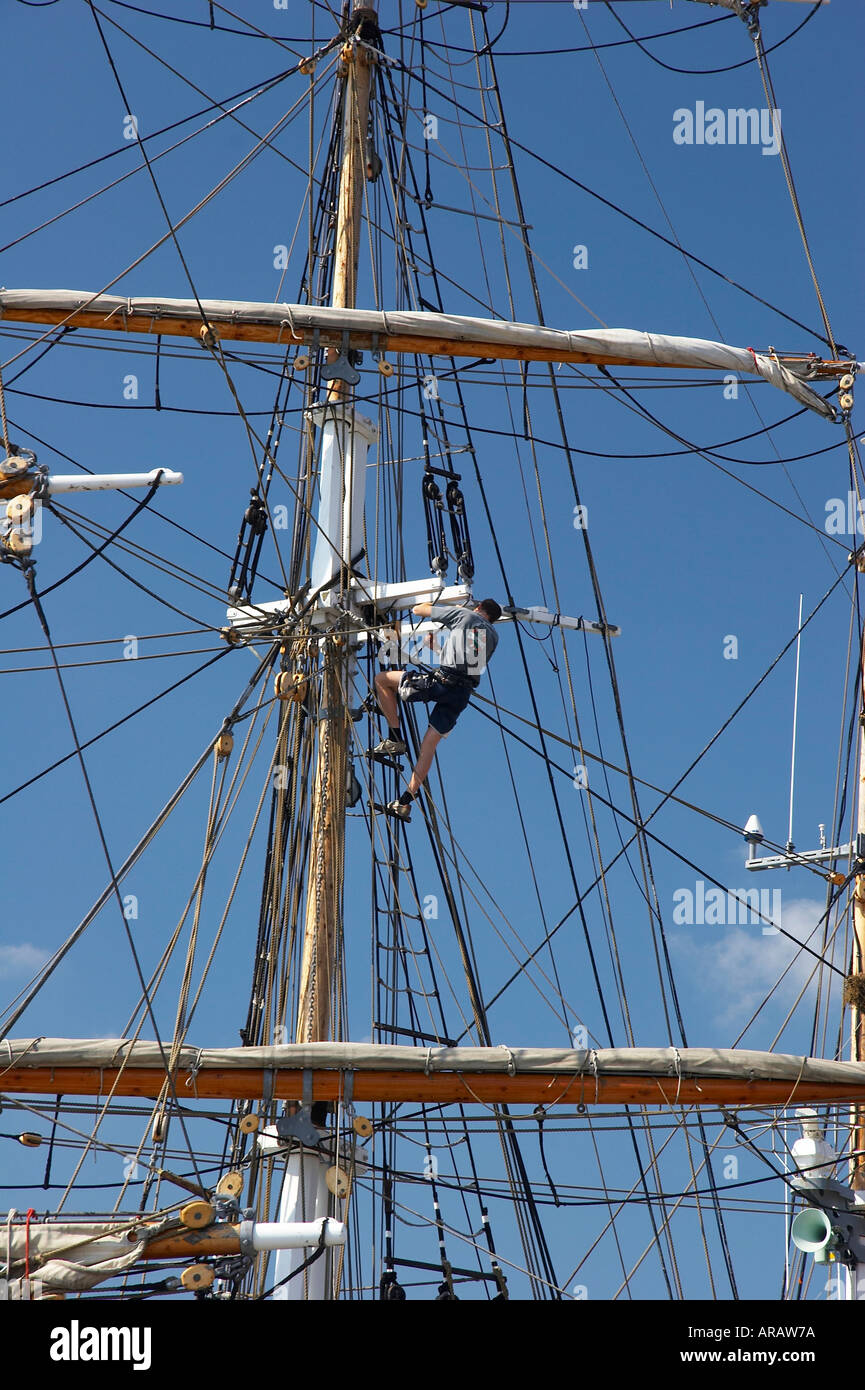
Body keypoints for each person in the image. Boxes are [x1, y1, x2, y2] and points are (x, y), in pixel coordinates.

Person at [370, 597, 503, 821]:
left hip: (442, 683)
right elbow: (465, 663)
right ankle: (405, 801)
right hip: (461, 694)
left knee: (382, 679)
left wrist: (455, 609)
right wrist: (438, 647)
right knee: (429, 744)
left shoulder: (465, 615)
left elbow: (418, 609)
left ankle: (394, 738)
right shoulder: (493, 636)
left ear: (478, 608)